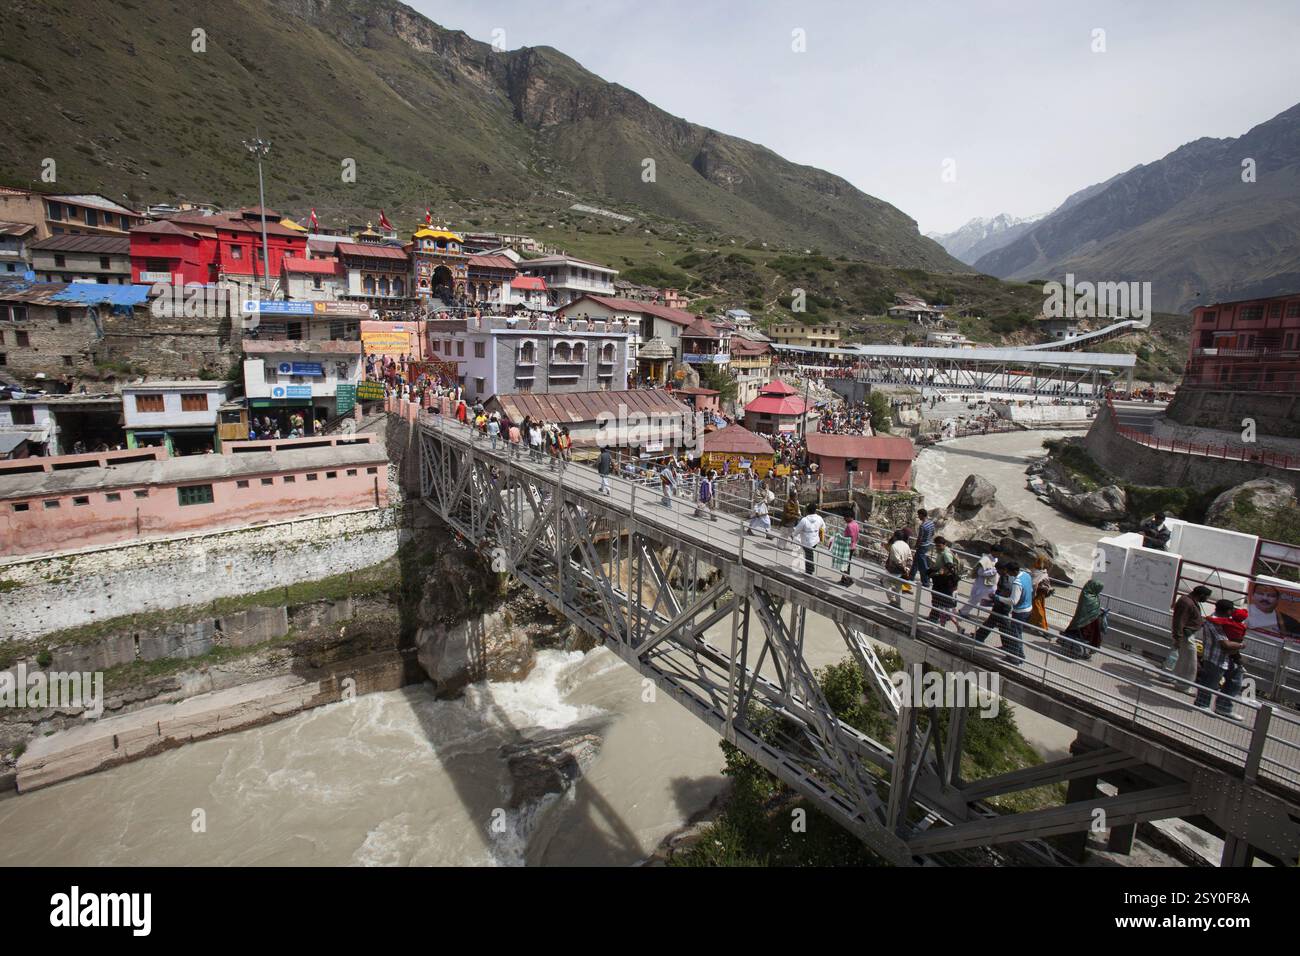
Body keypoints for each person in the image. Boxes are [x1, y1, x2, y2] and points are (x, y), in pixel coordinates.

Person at [1194, 601, 1248, 720]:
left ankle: (1224, 707)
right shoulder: (1213, 622)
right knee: (1210, 683)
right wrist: (1241, 645)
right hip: (1215, 658)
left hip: (1230, 659)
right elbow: (1225, 644)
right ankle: (1202, 704)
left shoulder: (1228, 623)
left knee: (1235, 681)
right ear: (1228, 611)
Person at [1162, 585, 1212, 687]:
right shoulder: (1186, 602)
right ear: (1201, 595)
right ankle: (1183, 685)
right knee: (1190, 663)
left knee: (1179, 659)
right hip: (1185, 636)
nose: (1207, 599)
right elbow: (1179, 621)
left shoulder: (1191, 602)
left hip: (1184, 635)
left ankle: (1170, 677)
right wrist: (1178, 638)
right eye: (1207, 597)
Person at [1059, 580, 1107, 659]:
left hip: (1089, 621)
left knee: (1089, 637)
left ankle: (1085, 651)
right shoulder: (1088, 596)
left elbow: (1092, 609)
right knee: (1086, 636)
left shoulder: (1090, 595)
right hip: (1086, 623)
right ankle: (1080, 651)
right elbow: (1086, 609)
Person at [928, 537, 963, 633]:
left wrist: (937, 573)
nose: (937, 548)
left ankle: (942, 628)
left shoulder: (946, 554)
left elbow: (949, 568)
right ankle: (958, 627)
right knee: (946, 608)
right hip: (944, 584)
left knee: (943, 608)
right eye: (936, 546)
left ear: (944, 544)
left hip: (944, 584)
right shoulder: (943, 552)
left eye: (939, 546)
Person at [959, 548, 1000, 620]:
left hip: (989, 584)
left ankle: (993, 618)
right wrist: (992, 572)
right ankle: (963, 612)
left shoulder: (995, 559)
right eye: (998, 552)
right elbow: (980, 572)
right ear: (993, 551)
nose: (1000, 554)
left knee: (990, 600)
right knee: (974, 600)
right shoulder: (985, 559)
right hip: (981, 584)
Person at [792, 504, 825, 575]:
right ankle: (810, 569)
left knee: (808, 555)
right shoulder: (819, 518)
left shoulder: (804, 520)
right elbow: (823, 526)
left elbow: (797, 530)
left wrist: (793, 535)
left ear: (807, 510)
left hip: (806, 541)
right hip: (815, 540)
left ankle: (809, 571)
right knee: (809, 554)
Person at [884, 529, 913, 608]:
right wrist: (907, 569)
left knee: (886, 582)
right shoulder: (906, 545)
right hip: (902, 572)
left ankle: (892, 600)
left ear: (895, 537)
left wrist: (904, 569)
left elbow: (897, 561)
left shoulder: (894, 546)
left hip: (894, 570)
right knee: (898, 588)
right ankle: (898, 604)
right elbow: (910, 558)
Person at [1027, 554, 1054, 632]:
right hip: (1036, 594)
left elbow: (1037, 583)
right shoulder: (1039, 572)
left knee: (1038, 609)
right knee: (1036, 609)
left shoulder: (1041, 573)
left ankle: (1042, 626)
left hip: (1038, 594)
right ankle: (1034, 624)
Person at [911, 508, 935, 588]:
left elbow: (920, 538)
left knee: (922, 565)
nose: (918, 516)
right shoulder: (931, 523)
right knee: (915, 561)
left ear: (922, 515)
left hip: (922, 547)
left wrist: (916, 546)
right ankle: (911, 577)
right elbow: (933, 533)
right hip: (928, 545)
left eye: (919, 515)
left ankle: (926, 582)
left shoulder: (922, 526)